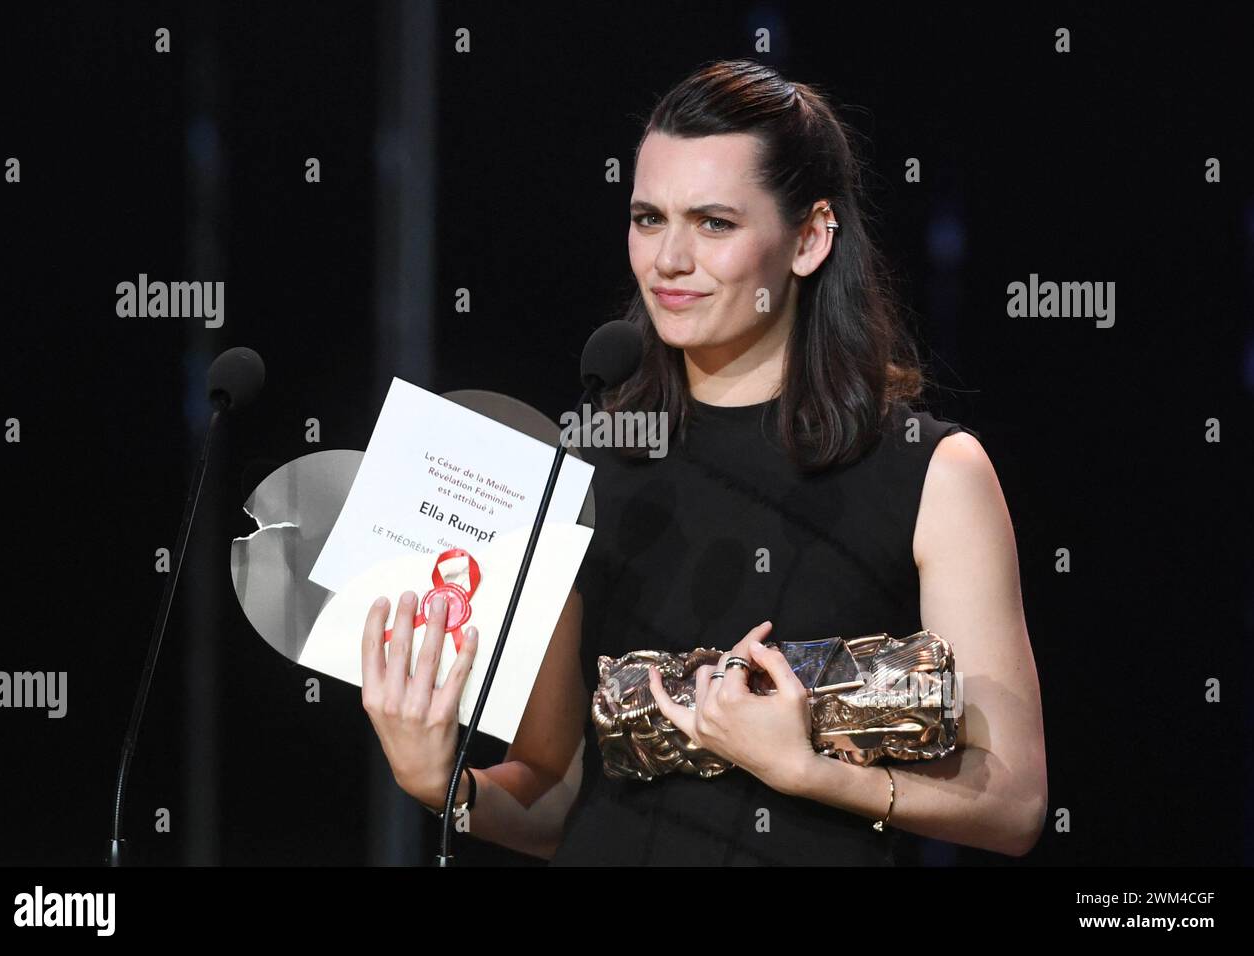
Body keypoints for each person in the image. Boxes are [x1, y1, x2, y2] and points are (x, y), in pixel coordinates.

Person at [360, 58, 1048, 865]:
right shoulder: (584, 467)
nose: (668, 260)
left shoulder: (931, 472)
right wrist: (446, 788)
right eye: (648, 219)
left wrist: (810, 771)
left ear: (809, 238)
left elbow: (1014, 804)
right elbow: (559, 792)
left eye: (714, 223)